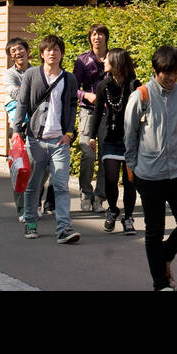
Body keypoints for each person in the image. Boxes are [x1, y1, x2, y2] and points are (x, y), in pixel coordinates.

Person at [123, 45, 177, 290]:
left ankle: (164, 255)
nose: (172, 78)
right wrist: (135, 168)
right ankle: (160, 283)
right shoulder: (141, 96)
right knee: (154, 230)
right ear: (155, 71)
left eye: (176, 72)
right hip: (149, 175)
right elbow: (130, 137)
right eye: (168, 74)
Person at [14, 33, 81, 244]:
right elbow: (22, 103)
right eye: (48, 50)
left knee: (61, 186)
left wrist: (69, 133)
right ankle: (31, 222)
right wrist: (17, 130)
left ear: (62, 54)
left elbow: (72, 106)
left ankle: (63, 228)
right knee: (34, 185)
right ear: (42, 54)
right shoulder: (32, 75)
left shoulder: (69, 78)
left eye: (57, 50)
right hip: (35, 140)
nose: (53, 53)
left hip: (59, 141)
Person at [84, 47, 140, 235]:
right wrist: (91, 136)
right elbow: (98, 112)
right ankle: (113, 209)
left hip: (131, 140)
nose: (103, 61)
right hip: (110, 138)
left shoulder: (134, 85)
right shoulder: (103, 86)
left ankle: (129, 218)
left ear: (116, 62)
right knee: (110, 179)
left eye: (107, 59)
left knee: (130, 181)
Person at [3, 38, 53, 220]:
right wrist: (35, 92)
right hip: (19, 129)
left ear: (27, 50)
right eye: (13, 51)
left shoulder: (39, 71)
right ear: (11, 56)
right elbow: (15, 93)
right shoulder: (9, 74)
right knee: (21, 168)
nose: (17, 52)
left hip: (42, 126)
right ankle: (22, 209)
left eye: (20, 49)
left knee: (42, 167)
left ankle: (34, 202)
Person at [73, 23, 110, 213]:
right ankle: (85, 193)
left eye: (101, 34)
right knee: (87, 154)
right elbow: (73, 87)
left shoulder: (114, 58)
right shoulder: (82, 60)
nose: (97, 37)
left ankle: (100, 197)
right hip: (88, 111)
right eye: (94, 34)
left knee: (106, 156)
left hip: (108, 113)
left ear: (106, 37)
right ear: (90, 38)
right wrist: (86, 95)